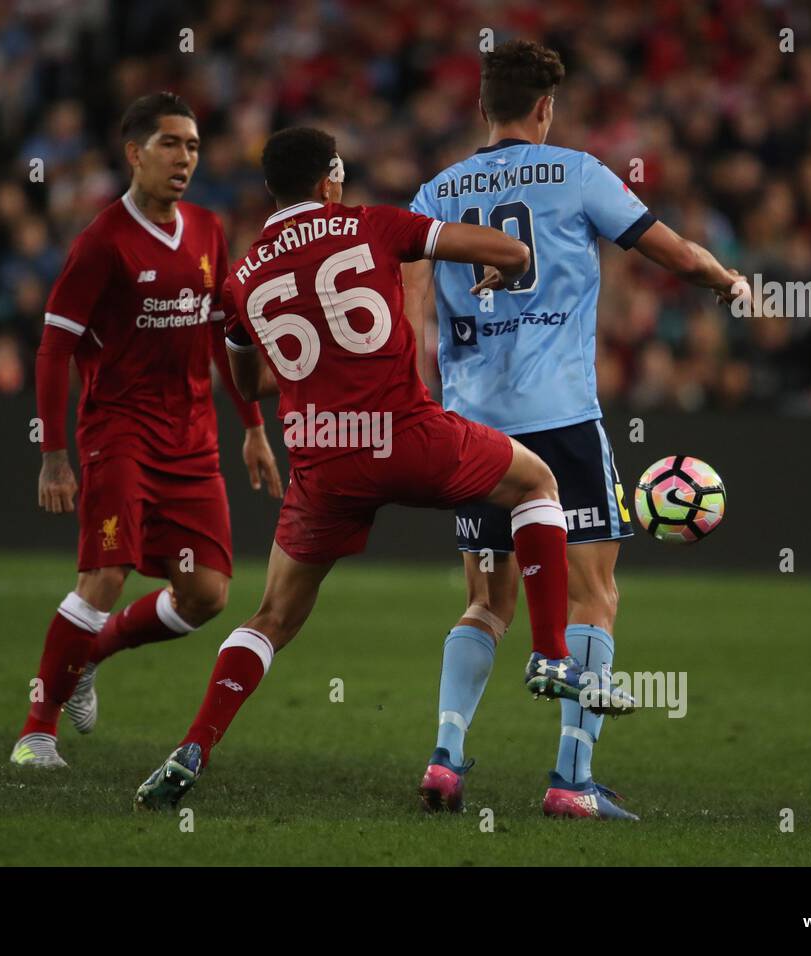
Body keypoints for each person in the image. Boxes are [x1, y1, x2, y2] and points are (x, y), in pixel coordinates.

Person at [134, 126, 604, 810]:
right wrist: (500, 264)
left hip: (323, 463)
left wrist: (284, 389)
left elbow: (242, 372)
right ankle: (552, 654)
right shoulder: (373, 224)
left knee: (271, 618)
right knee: (535, 484)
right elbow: (511, 248)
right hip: (409, 437)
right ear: (329, 178)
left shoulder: (244, 273)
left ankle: (195, 745)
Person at [404, 40, 745, 819]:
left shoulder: (436, 192)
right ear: (545, 108)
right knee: (593, 598)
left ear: (482, 107)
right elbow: (674, 256)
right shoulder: (581, 173)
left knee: (487, 601)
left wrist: (421, 392)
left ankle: (447, 760)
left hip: (472, 427)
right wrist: (725, 282)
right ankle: (570, 781)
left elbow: (409, 302)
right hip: (558, 420)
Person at [10, 93, 282, 768]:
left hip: (192, 437)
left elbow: (225, 334)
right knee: (105, 574)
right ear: (135, 154)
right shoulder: (103, 241)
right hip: (120, 430)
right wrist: (52, 454)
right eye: (171, 144)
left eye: (192, 145)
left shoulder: (208, 231)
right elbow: (54, 347)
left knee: (208, 594)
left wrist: (251, 425)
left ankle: (89, 656)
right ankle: (35, 732)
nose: (185, 157)